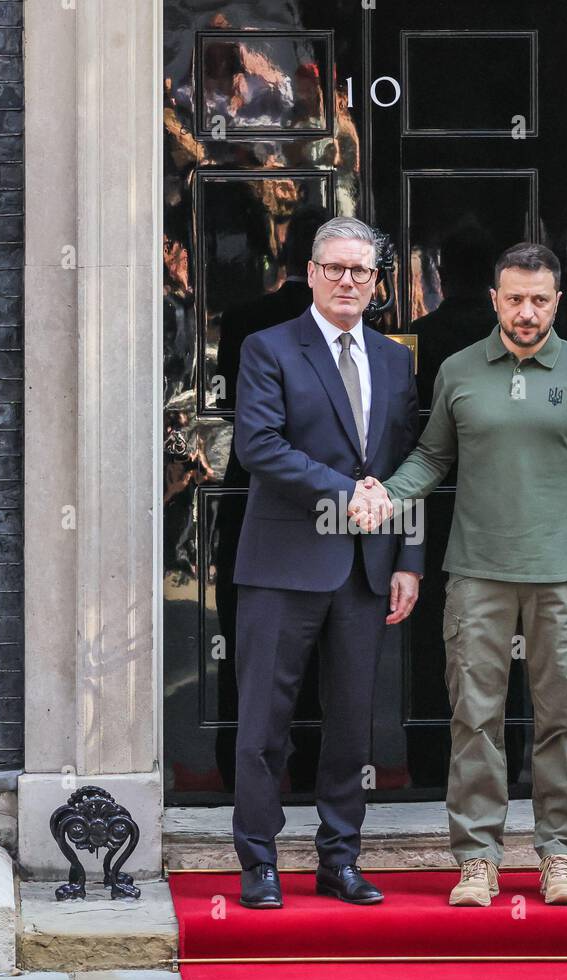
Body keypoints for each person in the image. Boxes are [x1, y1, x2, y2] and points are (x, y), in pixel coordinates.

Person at [351, 242, 567, 908]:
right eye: (515, 298)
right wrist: (385, 493)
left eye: (539, 299)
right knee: (475, 720)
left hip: (562, 578)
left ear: (557, 301)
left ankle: (559, 855)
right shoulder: (459, 372)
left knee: (561, 719)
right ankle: (478, 858)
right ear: (495, 299)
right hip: (476, 576)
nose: (526, 312)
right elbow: (431, 458)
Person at [231, 216, 424, 909]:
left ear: (377, 283)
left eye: (361, 271)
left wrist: (411, 558)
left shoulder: (398, 359)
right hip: (283, 565)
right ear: (310, 272)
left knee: (352, 724)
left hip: (368, 572)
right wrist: (348, 493)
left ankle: (339, 858)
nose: (348, 281)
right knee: (263, 726)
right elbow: (259, 445)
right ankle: (258, 863)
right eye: (336, 268)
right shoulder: (268, 348)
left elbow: (406, 465)